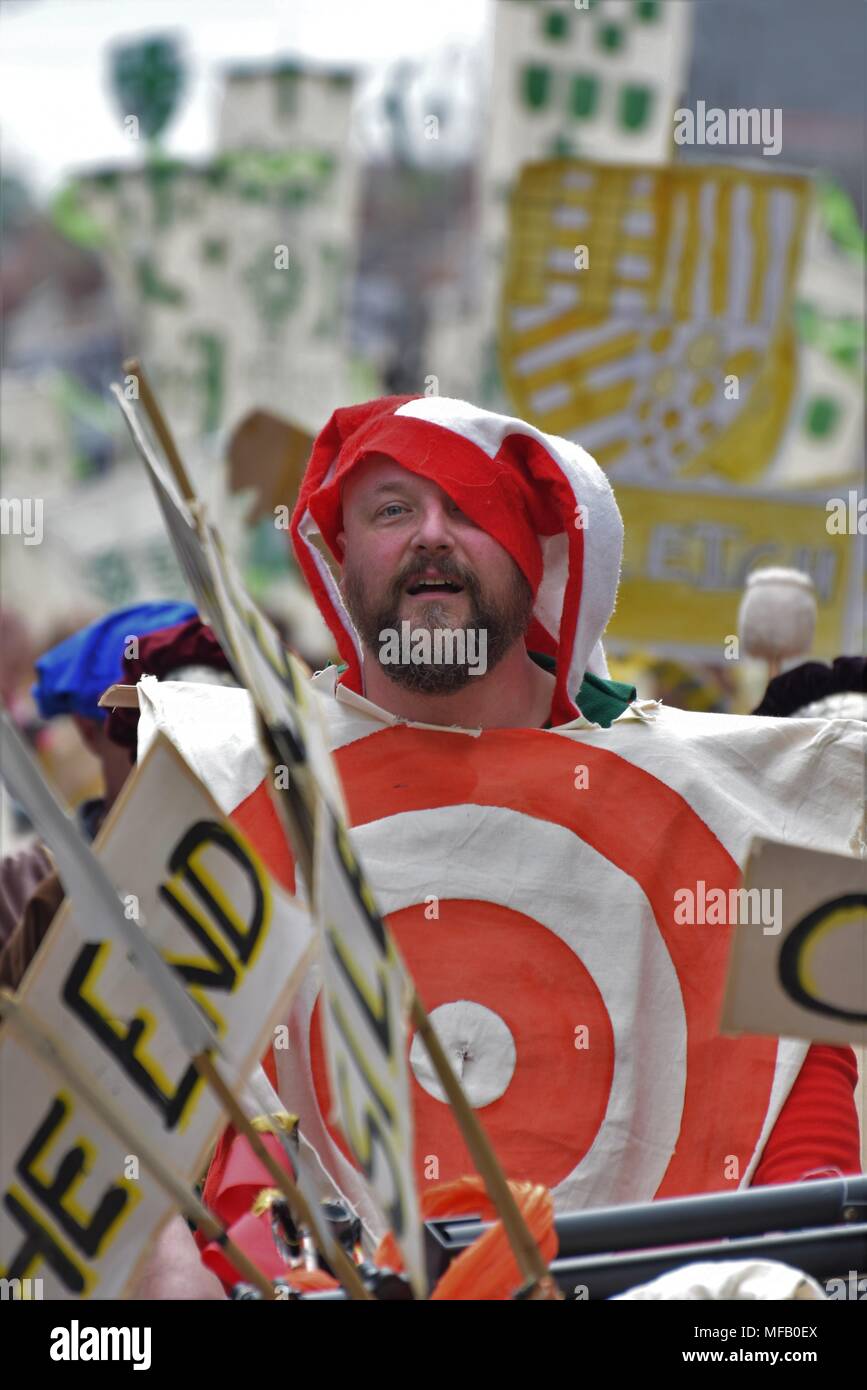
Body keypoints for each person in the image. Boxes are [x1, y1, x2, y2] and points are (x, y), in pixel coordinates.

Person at [139, 396, 863, 1296]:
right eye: (392, 509)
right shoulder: (212, 779)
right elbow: (171, 1151)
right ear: (338, 551)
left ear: (538, 553)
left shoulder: (761, 797)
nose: (430, 537)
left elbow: (816, 1182)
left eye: (472, 507)